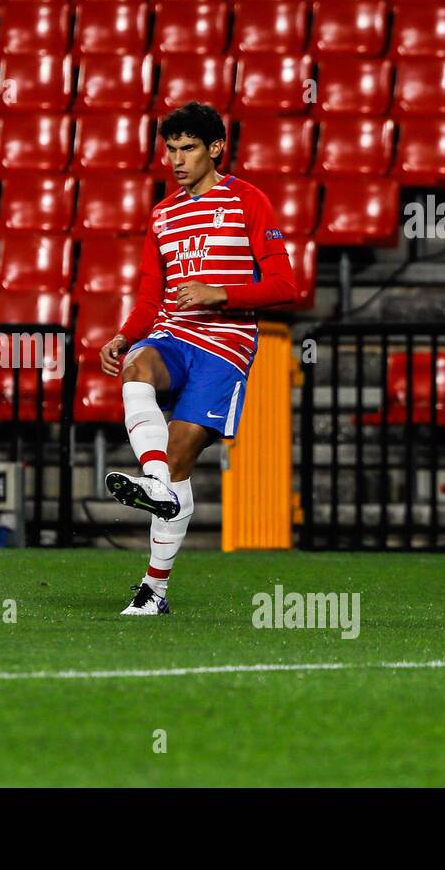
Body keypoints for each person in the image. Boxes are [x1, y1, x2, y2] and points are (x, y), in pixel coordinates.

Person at [99, 102, 298, 615]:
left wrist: (220, 294)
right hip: (173, 335)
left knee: (181, 454)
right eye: (171, 149)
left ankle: (154, 590)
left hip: (226, 346)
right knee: (136, 364)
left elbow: (285, 285)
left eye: (188, 148)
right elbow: (150, 298)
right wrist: (123, 336)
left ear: (216, 149)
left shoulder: (248, 201)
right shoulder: (162, 215)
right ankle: (155, 482)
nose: (177, 159)